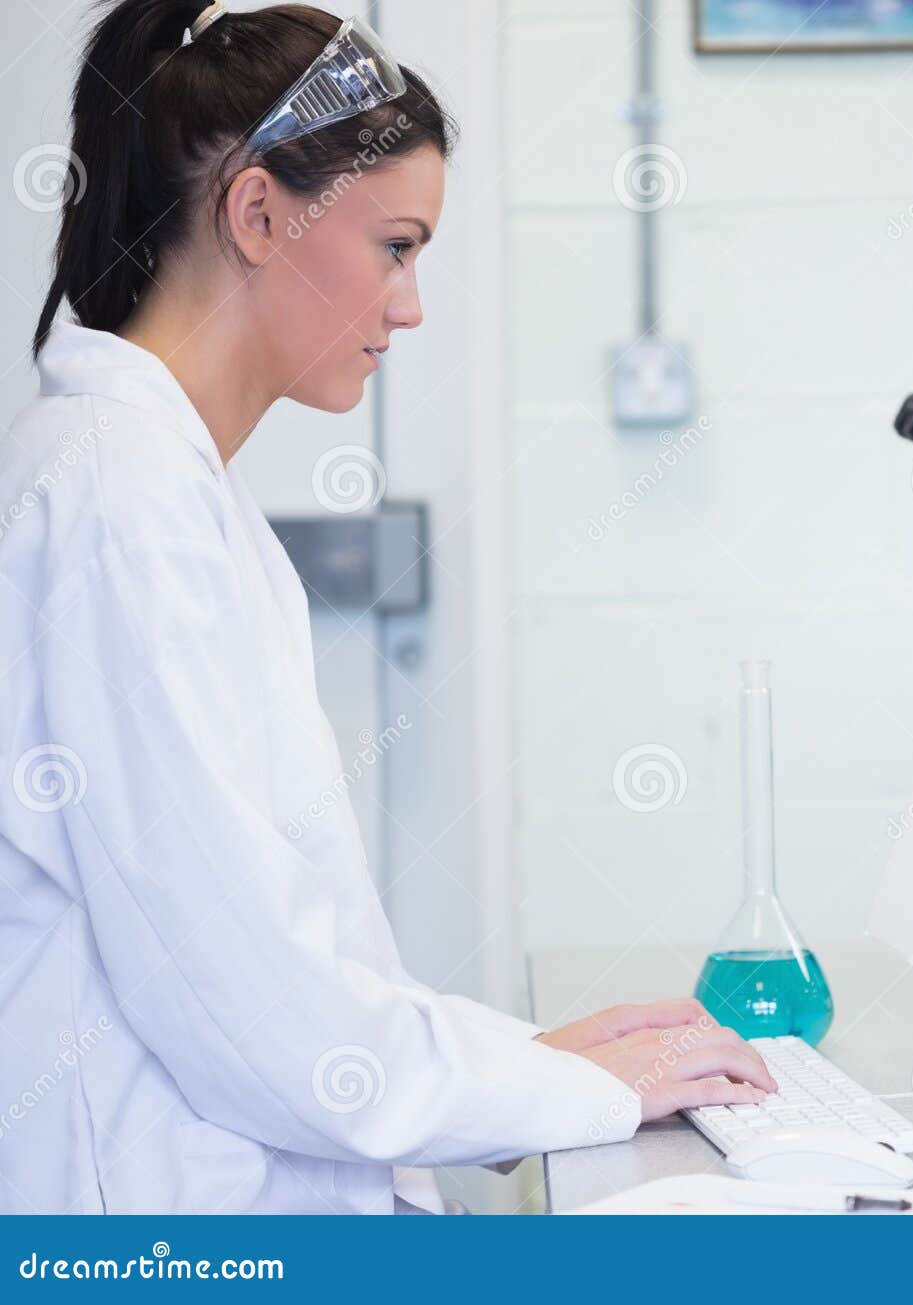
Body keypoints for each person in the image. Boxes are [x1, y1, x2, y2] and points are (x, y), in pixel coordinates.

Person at [0, 0, 773, 1215]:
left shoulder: (166, 485)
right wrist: (567, 1091)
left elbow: (285, 954)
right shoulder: (120, 503)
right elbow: (241, 993)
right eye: (395, 248)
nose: (408, 307)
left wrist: (525, 1061)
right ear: (259, 214)